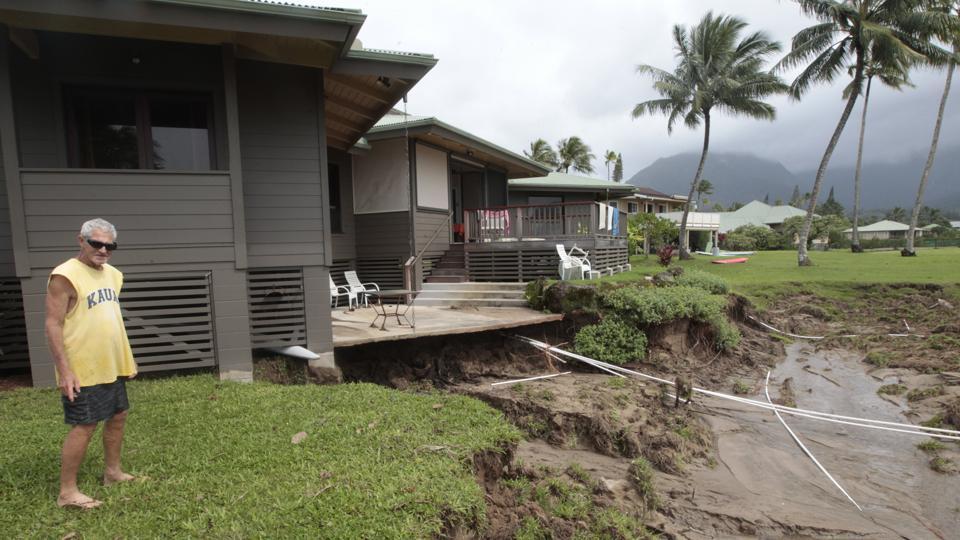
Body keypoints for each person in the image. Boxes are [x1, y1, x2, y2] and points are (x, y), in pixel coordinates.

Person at [45, 218, 138, 509]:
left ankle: (112, 473)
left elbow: (105, 317)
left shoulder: (113, 274)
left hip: (111, 363)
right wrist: (65, 369)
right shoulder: (64, 275)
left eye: (110, 246)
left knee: (119, 415)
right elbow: (53, 324)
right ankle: (67, 492)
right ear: (81, 240)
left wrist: (126, 358)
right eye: (96, 243)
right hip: (81, 366)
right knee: (85, 425)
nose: (103, 250)